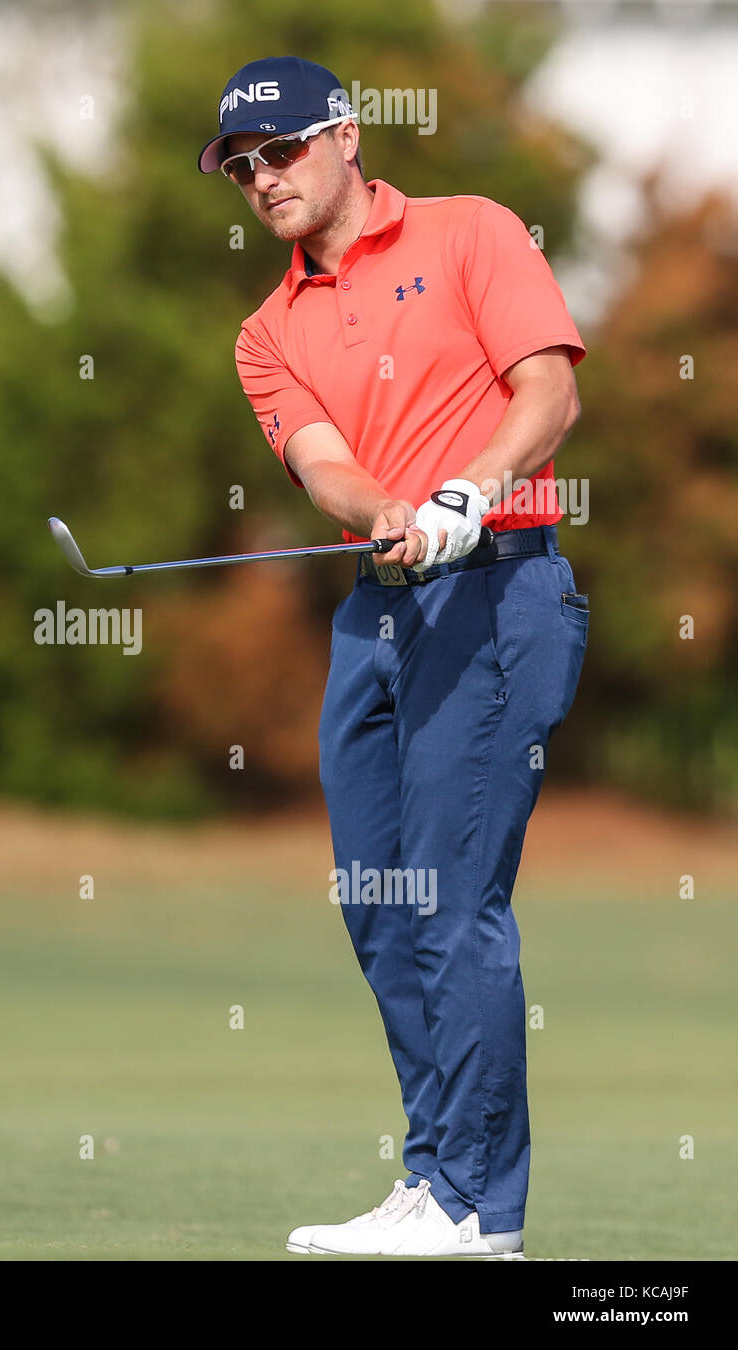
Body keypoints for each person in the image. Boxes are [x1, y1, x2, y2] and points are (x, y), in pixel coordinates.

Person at [199, 56, 589, 1258]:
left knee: (453, 905)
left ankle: (477, 1206)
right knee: (382, 906)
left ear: (345, 137)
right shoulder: (266, 331)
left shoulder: (471, 234)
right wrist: (381, 511)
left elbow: (546, 394)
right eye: (241, 165)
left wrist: (470, 490)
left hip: (497, 587)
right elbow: (322, 462)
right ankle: (437, 1181)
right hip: (377, 611)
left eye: (280, 151)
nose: (262, 178)